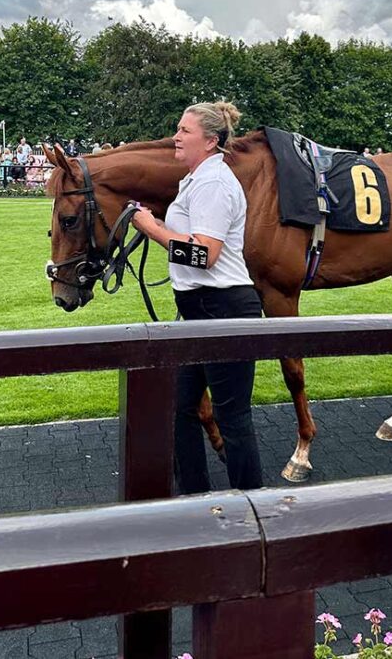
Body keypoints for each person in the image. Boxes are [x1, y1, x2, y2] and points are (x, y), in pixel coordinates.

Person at [131, 100, 263, 494]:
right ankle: (195, 497)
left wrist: (152, 229)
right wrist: (156, 223)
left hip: (222, 307)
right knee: (180, 408)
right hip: (203, 308)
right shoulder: (198, 180)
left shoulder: (213, 184)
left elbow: (204, 255)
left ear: (209, 141)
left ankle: (251, 504)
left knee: (232, 416)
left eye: (184, 131)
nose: (176, 136)